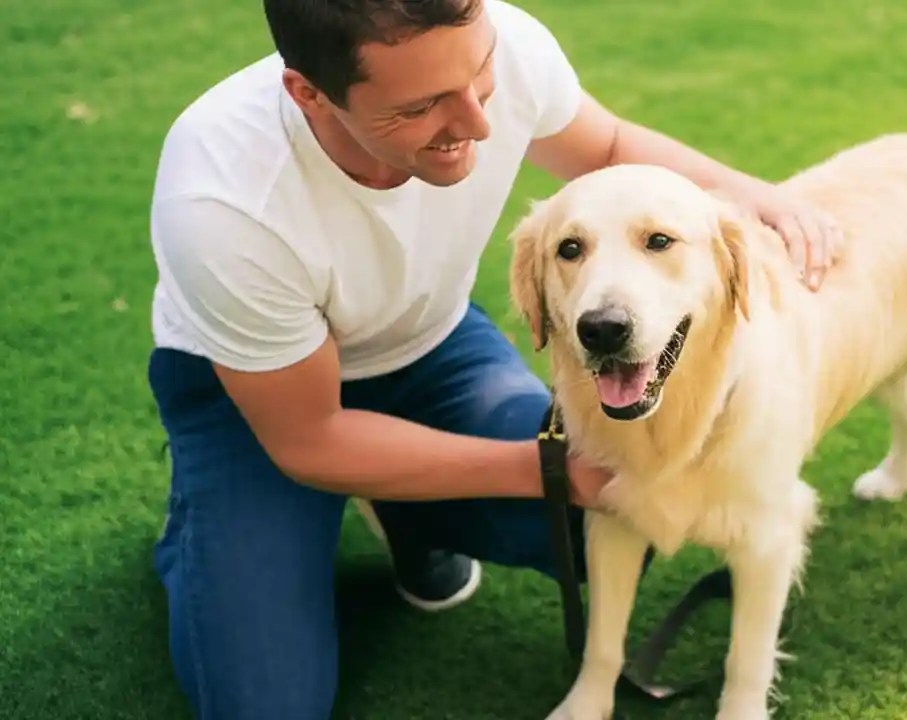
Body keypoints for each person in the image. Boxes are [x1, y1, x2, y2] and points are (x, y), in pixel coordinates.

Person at [145, 0, 841, 716]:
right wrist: (546, 469)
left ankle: (408, 509)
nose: (479, 125)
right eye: (422, 107)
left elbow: (606, 151)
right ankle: (209, 525)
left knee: (619, 510)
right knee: (265, 705)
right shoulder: (224, 203)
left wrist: (751, 198)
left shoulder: (502, 46)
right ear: (310, 94)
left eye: (481, 79)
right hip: (258, 405)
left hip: (429, 347)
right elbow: (310, 439)